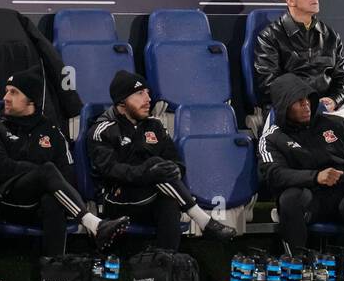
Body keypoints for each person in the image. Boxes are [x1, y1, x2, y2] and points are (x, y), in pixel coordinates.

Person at [0, 66, 130, 259]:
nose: (6, 97)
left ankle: (54, 275)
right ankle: (95, 224)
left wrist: (43, 178)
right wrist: (40, 174)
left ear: (31, 100)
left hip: (39, 205)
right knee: (48, 172)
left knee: (54, 199)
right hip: (3, 201)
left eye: (14, 92)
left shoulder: (52, 131)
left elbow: (67, 175)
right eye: (7, 91)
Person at [258, 75, 344, 281]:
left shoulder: (337, 124)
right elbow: (274, 175)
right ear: (284, 106)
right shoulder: (273, 137)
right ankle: (298, 274)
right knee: (290, 199)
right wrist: (316, 177)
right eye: (298, 101)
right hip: (310, 198)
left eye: (308, 99)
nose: (306, 105)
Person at [89, 71, 237, 248]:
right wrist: (148, 172)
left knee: (169, 203)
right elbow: (110, 171)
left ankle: (166, 263)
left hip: (152, 196)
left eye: (148, 93)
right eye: (140, 94)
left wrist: (174, 170)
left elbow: (176, 162)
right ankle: (204, 221)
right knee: (155, 165)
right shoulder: (103, 129)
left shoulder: (155, 125)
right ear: (122, 101)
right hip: (118, 200)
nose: (148, 99)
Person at [252, 0, 344, 114]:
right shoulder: (270, 36)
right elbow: (269, 84)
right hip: (290, 108)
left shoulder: (330, 35)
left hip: (328, 109)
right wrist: (305, 102)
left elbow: (342, 77)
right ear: (291, 0)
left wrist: (334, 100)